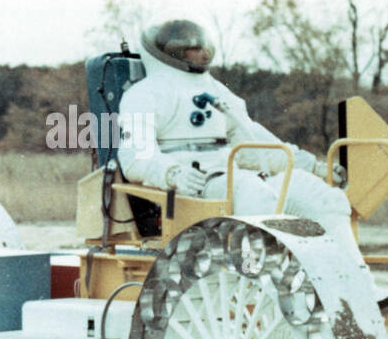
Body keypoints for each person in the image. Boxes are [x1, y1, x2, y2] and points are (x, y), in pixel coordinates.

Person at [116, 19, 356, 237]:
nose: (198, 54)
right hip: (187, 188)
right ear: (173, 53)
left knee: (323, 199)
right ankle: (256, 272)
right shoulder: (144, 95)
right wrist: (173, 173)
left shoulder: (218, 91)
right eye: (189, 50)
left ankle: (341, 277)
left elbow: (252, 144)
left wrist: (311, 166)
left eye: (199, 48)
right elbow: (135, 156)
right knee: (255, 193)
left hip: (230, 180)